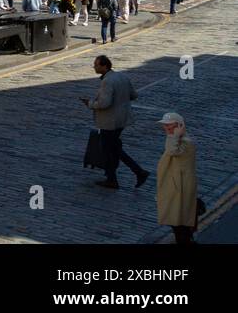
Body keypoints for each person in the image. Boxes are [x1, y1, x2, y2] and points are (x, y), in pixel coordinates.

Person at [81, 55, 148, 190]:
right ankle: (121, 175)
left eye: (96, 65)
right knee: (113, 149)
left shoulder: (107, 81)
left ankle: (129, 174)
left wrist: (90, 104)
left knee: (110, 150)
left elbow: (104, 103)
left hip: (109, 122)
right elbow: (134, 95)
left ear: (104, 66)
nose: (94, 67)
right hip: (121, 120)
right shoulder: (122, 76)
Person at [155, 112, 198, 244]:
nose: (167, 129)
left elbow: (172, 151)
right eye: (165, 126)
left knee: (179, 219)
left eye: (171, 126)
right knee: (176, 219)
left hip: (179, 187)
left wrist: (174, 136)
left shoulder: (185, 142)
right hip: (174, 185)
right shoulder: (176, 139)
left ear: (180, 126)